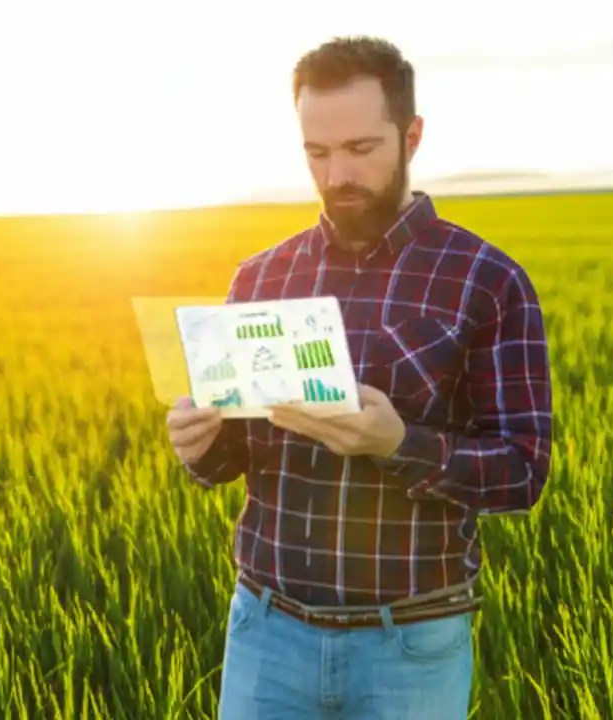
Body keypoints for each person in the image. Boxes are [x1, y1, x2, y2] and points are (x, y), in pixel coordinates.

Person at [165, 35, 553, 719]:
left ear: (412, 135)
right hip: (266, 633)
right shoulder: (262, 277)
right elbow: (236, 455)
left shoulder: (488, 282)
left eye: (361, 149)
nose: (337, 172)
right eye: (317, 153)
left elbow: (523, 471)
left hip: (409, 645)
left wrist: (397, 442)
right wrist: (202, 444)